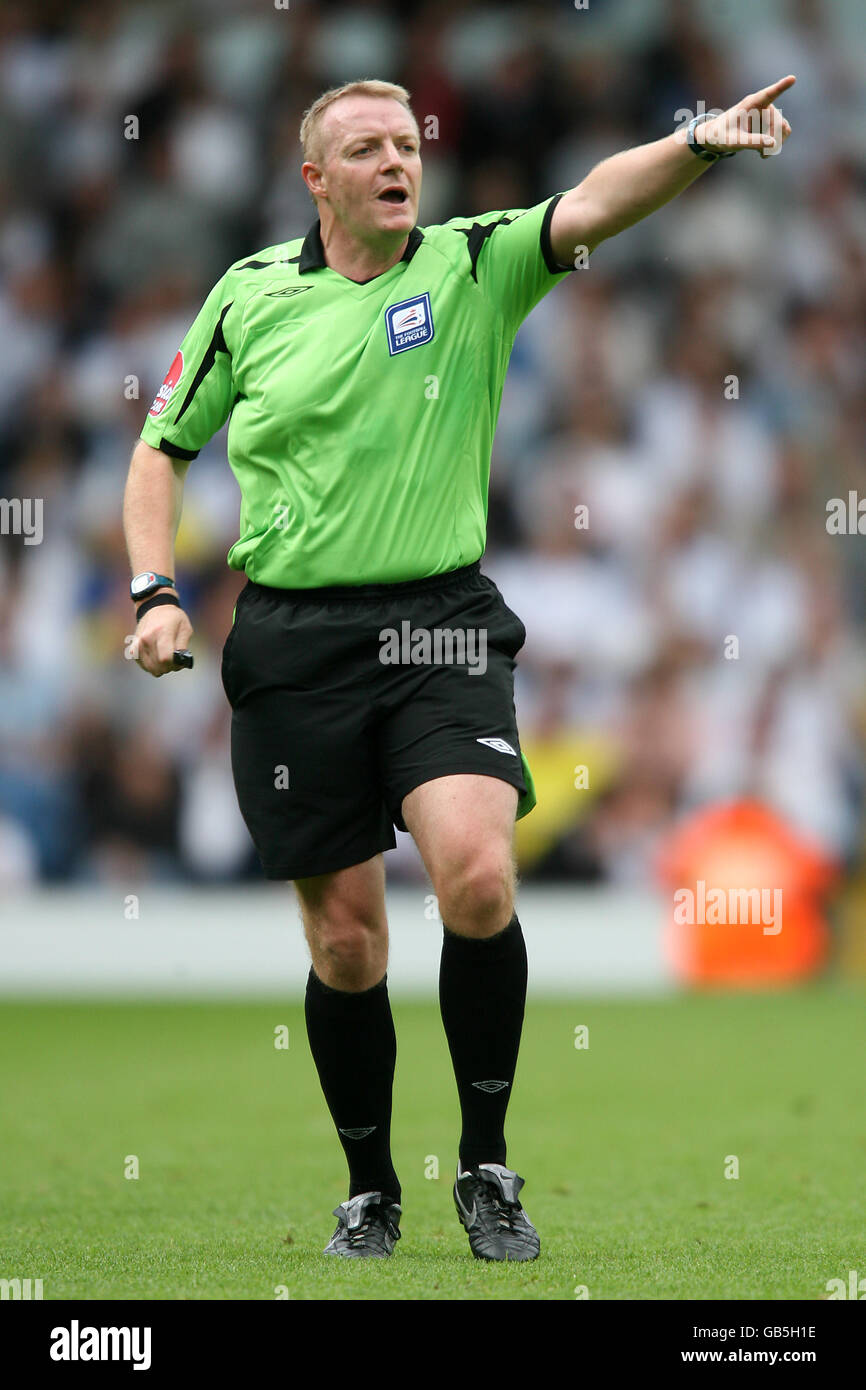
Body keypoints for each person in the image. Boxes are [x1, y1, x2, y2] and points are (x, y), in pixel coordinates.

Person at [122, 76, 794, 1261]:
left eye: (405, 143)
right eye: (365, 149)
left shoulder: (472, 262)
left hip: (439, 626)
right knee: (347, 944)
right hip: (291, 642)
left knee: (478, 877)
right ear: (314, 180)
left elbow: (588, 205)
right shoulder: (248, 296)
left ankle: (484, 1167)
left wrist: (693, 144)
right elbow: (160, 450)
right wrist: (156, 593)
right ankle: (370, 1185)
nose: (397, 161)